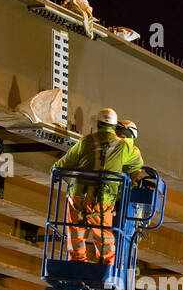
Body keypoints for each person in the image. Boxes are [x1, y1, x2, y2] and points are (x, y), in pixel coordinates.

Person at [53, 108, 143, 265]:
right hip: (103, 201)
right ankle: (106, 267)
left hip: (77, 198)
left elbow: (61, 165)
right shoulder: (124, 147)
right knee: (104, 236)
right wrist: (128, 142)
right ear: (115, 127)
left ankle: (76, 263)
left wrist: (61, 174)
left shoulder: (85, 141)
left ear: (97, 124)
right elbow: (137, 163)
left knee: (74, 232)